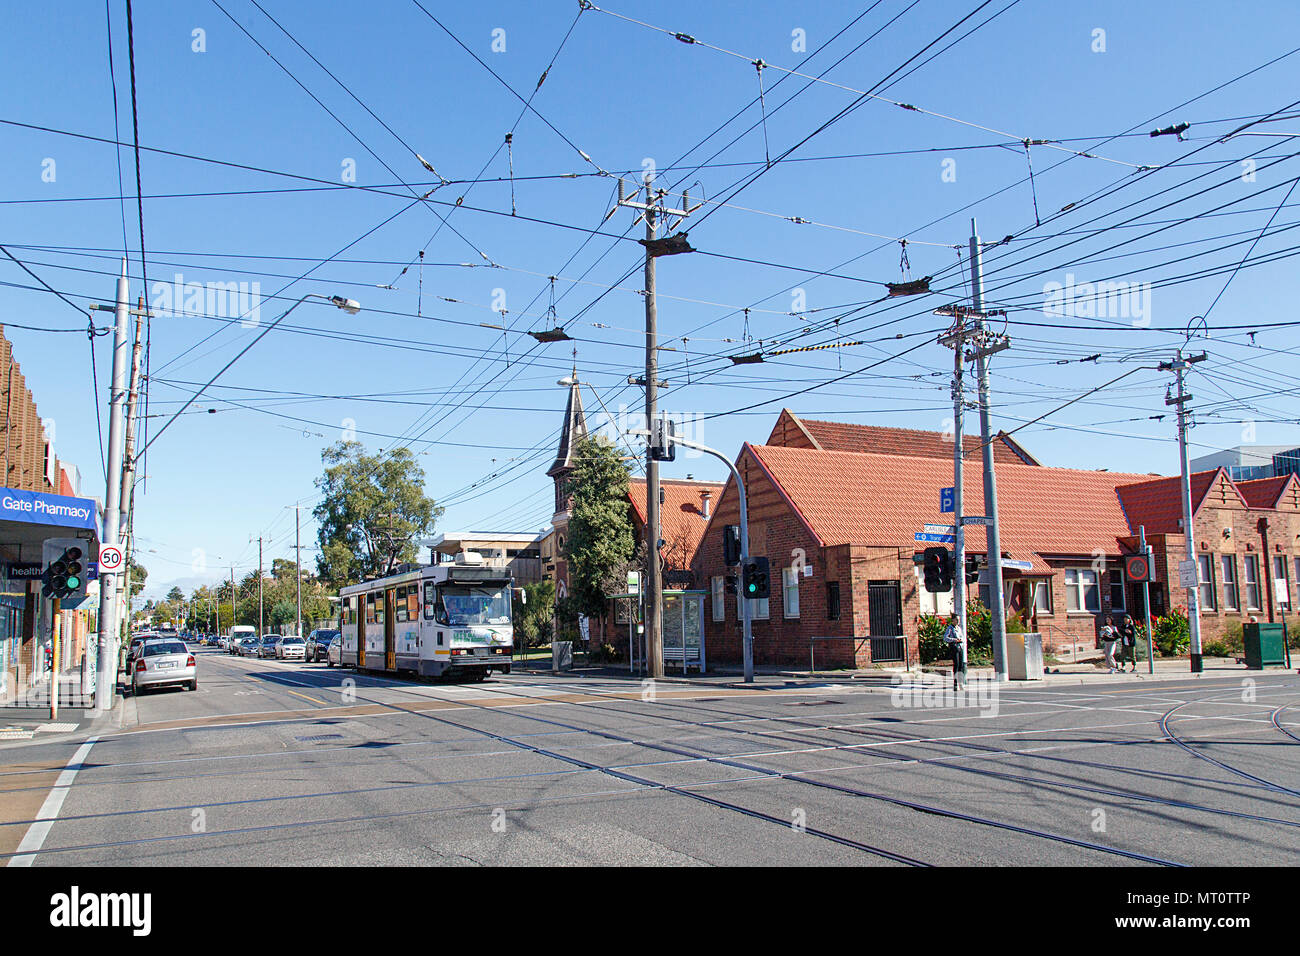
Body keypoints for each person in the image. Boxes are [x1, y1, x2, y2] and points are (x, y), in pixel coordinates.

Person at [943, 619, 966, 690]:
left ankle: (960, 682)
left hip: (960, 647)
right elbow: (945, 638)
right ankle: (955, 683)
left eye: (959, 620)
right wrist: (954, 640)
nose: (958, 621)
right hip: (954, 647)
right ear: (953, 620)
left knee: (961, 665)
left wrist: (961, 639)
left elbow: (962, 636)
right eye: (956, 620)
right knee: (956, 664)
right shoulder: (950, 628)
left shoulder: (958, 628)